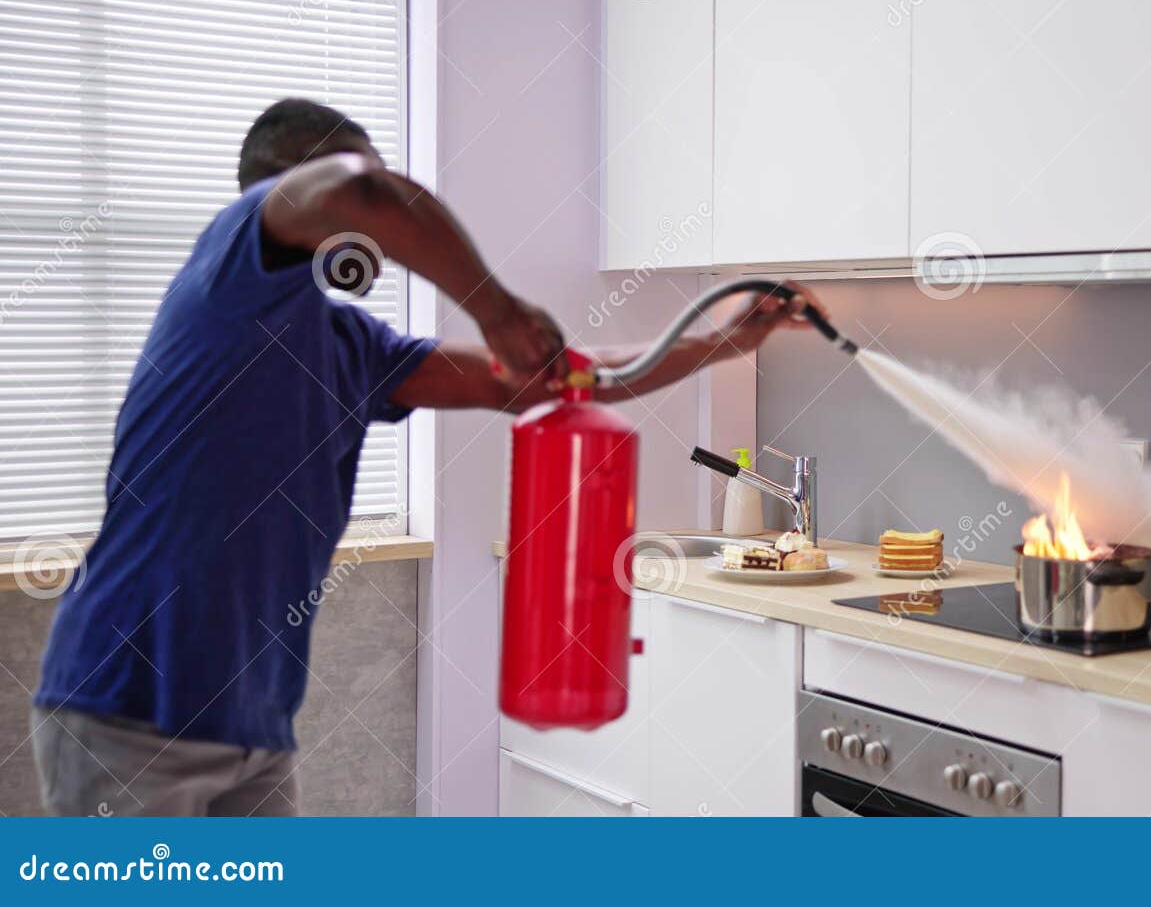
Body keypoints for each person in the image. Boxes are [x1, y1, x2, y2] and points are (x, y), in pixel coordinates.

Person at [30, 98, 822, 817]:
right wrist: (499, 308)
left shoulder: (353, 348)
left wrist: (727, 340)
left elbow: (559, 380)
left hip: (253, 724)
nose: (378, 223)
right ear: (283, 195)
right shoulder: (229, 267)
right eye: (361, 183)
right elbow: (361, 195)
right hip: (128, 707)